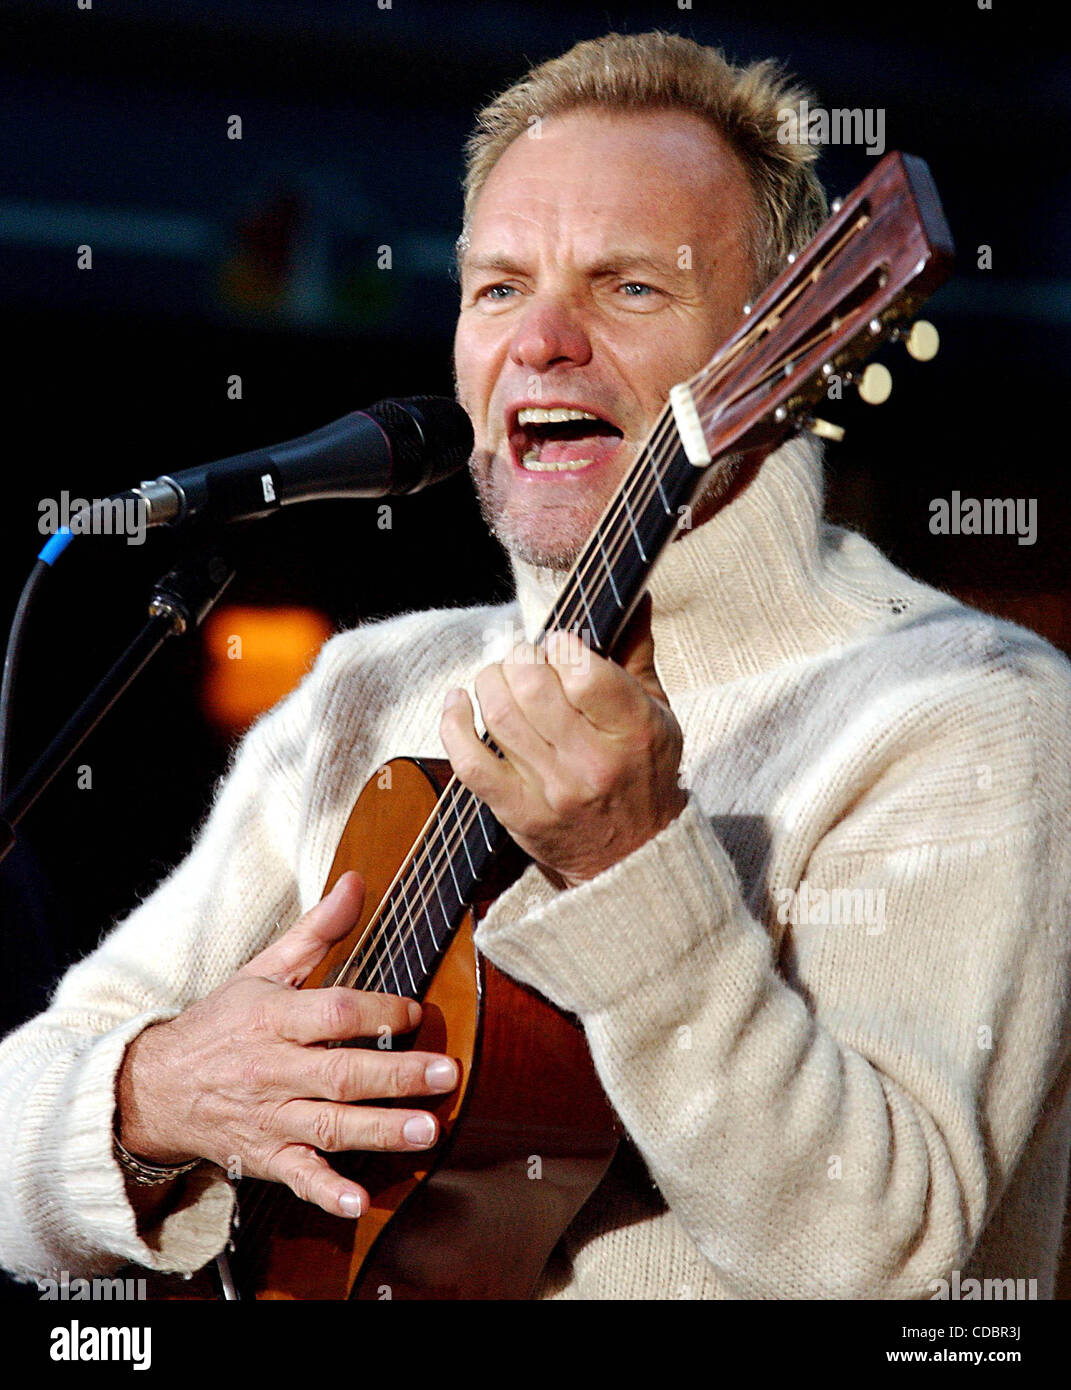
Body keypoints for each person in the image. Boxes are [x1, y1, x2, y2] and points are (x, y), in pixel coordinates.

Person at [2, 30, 1070, 1301]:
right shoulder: (366, 690)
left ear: (778, 341)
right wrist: (152, 1091)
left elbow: (885, 1259)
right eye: (500, 287)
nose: (542, 341)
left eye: (629, 287)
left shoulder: (971, 713)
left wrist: (637, 871)